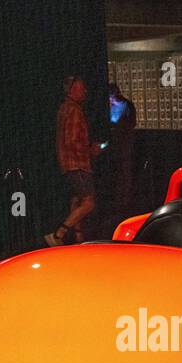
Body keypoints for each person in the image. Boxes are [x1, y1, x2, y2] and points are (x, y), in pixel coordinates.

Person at [46, 75, 102, 247]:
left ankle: (78, 236)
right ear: (72, 90)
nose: (85, 91)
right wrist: (90, 149)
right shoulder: (74, 110)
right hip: (77, 163)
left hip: (67, 163)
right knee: (88, 202)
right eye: (81, 88)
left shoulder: (63, 109)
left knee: (76, 200)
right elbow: (72, 140)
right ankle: (58, 234)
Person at [106, 82, 139, 232]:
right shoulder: (112, 106)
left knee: (125, 173)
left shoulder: (127, 106)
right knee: (117, 173)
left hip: (124, 145)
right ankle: (117, 200)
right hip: (113, 146)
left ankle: (124, 202)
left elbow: (131, 124)